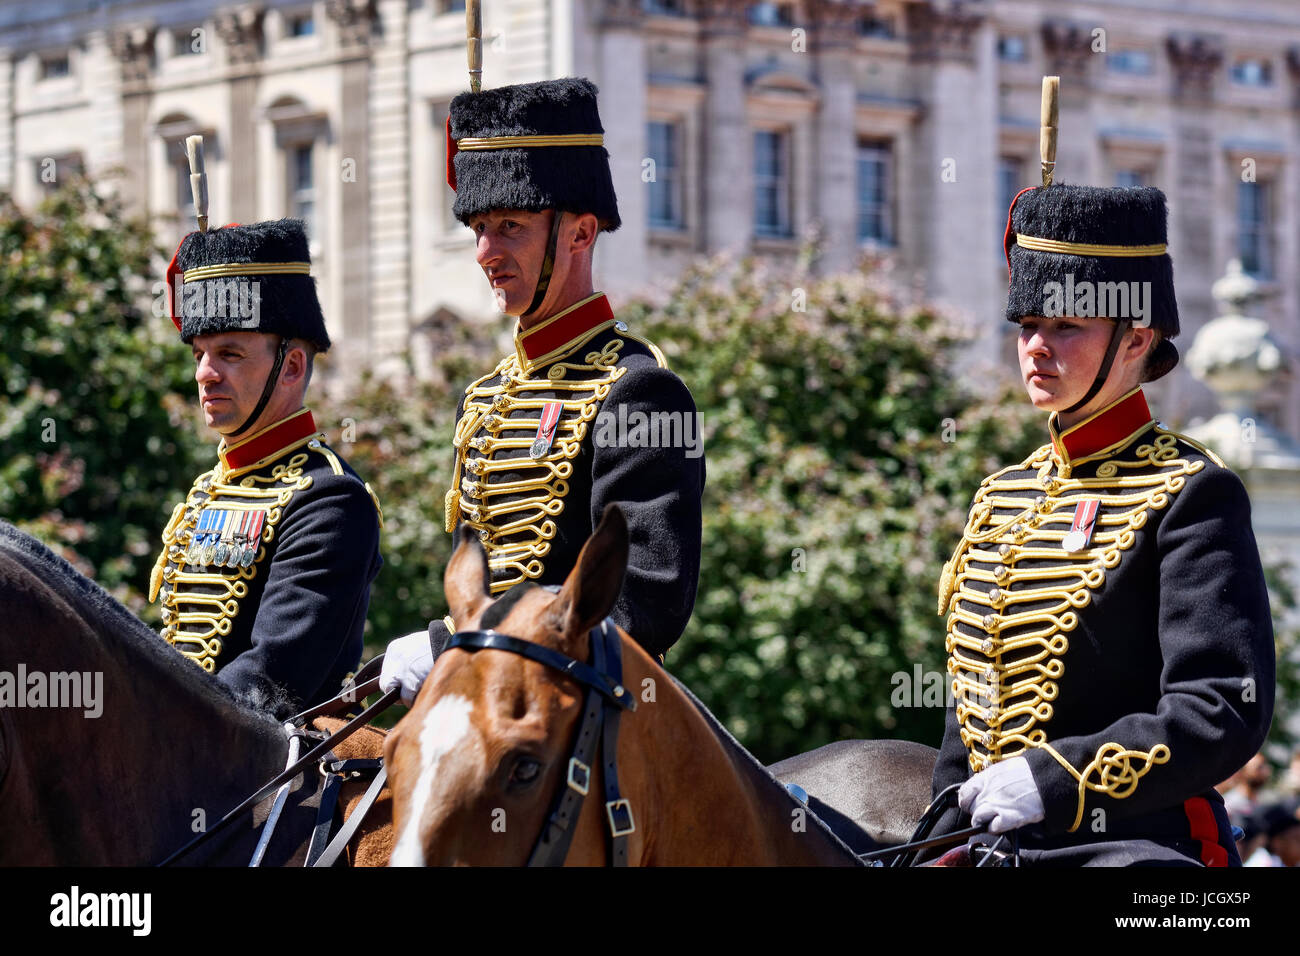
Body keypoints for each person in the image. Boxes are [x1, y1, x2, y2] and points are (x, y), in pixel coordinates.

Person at [925, 183, 1275, 866]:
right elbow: (966, 713)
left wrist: (1056, 780)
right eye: (1026, 325)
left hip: (1128, 840)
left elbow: (1222, 707)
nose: (1034, 348)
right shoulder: (1002, 495)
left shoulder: (1192, 493)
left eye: (1064, 327)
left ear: (1135, 337)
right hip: (984, 841)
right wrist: (941, 833)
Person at [381, 77, 705, 703]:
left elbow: (647, 603)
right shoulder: (482, 401)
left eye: (509, 226)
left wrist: (460, 647)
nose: (485, 251)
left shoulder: (639, 390)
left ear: (580, 233)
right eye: (478, 226)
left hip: (584, 714)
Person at [148, 218, 383, 717]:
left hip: (278, 775)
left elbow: (273, 676)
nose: (205, 374)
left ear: (292, 366)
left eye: (229, 353)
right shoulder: (208, 489)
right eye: (200, 354)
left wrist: (157, 723)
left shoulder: (329, 497)